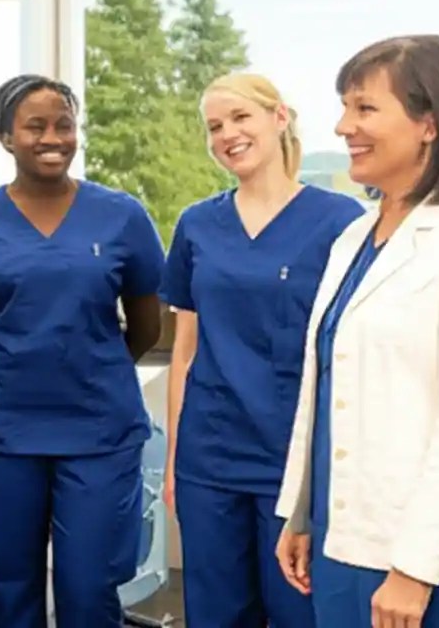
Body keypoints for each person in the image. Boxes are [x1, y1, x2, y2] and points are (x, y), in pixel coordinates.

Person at [274, 35, 439, 628]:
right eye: (344, 107)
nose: (342, 126)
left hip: (433, 559)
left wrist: (414, 570)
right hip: (345, 540)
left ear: (429, 124)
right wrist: (304, 515)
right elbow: (326, 389)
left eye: (364, 108)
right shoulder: (353, 238)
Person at [0, 74, 164, 627]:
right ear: (6, 137)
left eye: (64, 125)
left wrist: (90, 366)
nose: (52, 137)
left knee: (90, 589)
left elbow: (147, 324)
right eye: (35, 126)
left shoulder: (121, 215)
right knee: (11, 592)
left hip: (97, 431)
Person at [160, 73, 364, 627]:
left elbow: (352, 354)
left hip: (296, 460)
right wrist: (176, 459)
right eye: (214, 127)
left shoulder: (342, 223)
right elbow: (185, 353)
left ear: (279, 118)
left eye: (240, 117)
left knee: (300, 612)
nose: (227, 134)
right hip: (211, 455)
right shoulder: (198, 225)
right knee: (216, 614)